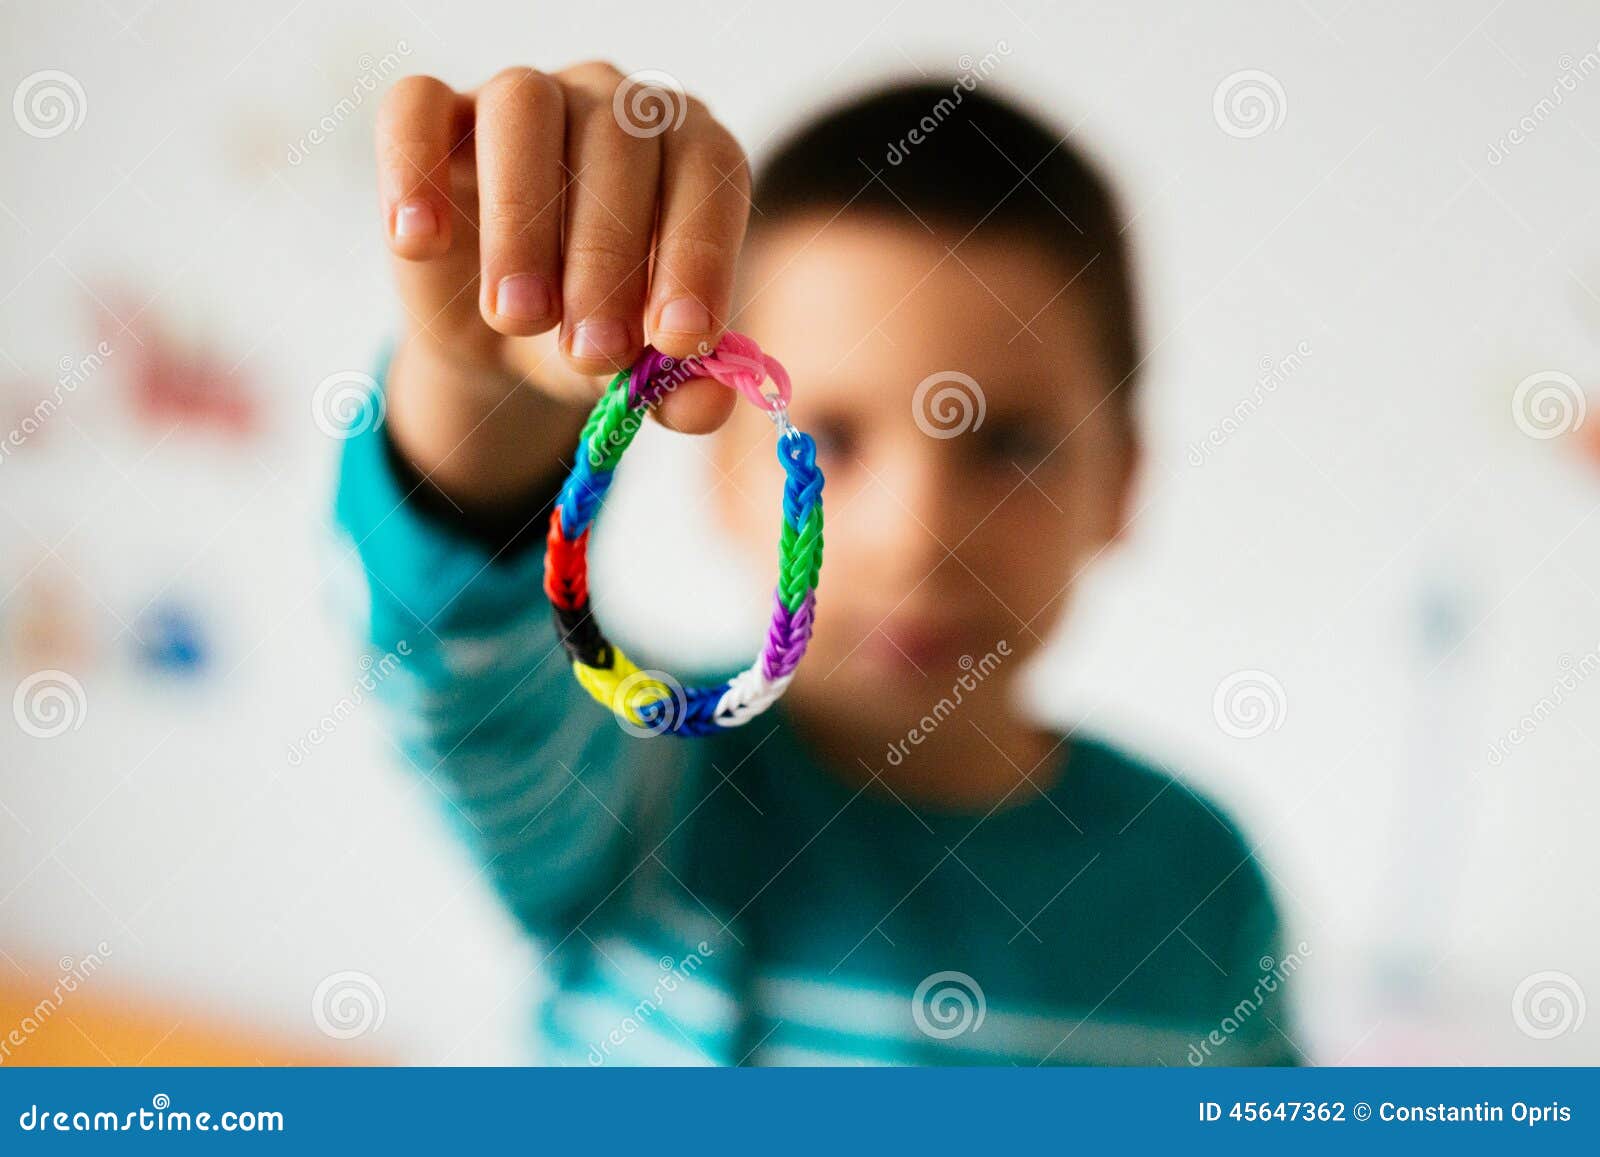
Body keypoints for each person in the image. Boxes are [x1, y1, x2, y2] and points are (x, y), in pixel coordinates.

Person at [334, 63, 1300, 1065]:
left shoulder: (1202, 884)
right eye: (831, 438)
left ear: (1122, 482)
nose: (917, 537)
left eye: (1009, 444)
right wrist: (484, 387)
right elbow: (451, 652)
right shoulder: (645, 801)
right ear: (722, 473)